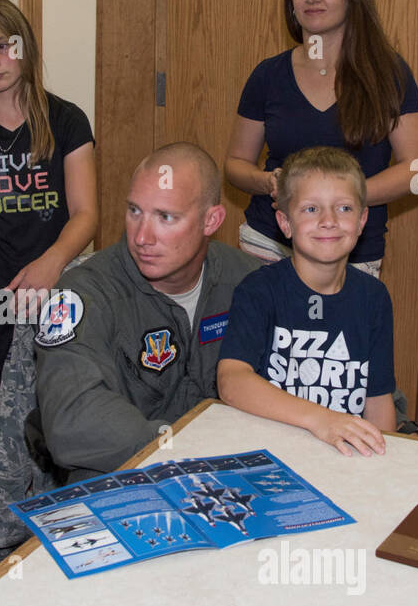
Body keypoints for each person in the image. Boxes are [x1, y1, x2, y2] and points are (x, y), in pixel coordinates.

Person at [33, 143, 260, 481]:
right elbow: (71, 419)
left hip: (225, 477)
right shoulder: (80, 293)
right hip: (119, 481)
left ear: (211, 220)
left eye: (165, 217)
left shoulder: (248, 281)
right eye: (134, 211)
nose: (141, 237)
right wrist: (186, 446)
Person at [0, 0, 98, 441]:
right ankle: (2, 515)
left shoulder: (66, 120)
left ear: (23, 46)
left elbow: (86, 215)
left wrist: (51, 262)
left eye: (2, 45)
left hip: (53, 295)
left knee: (54, 429)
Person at [224, 0, 418, 276]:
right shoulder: (268, 75)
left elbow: (417, 169)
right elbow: (235, 164)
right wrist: (268, 182)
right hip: (268, 244)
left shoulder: (388, 73)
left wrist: (340, 198)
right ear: (291, 2)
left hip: (352, 251)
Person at [217, 147, 396, 456]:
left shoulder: (374, 298)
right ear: (285, 223)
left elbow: (378, 401)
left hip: (342, 459)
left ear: (363, 219)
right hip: (267, 454)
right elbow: (232, 382)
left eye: (344, 208)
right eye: (311, 209)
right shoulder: (259, 290)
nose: (328, 221)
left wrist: (382, 463)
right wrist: (321, 420)